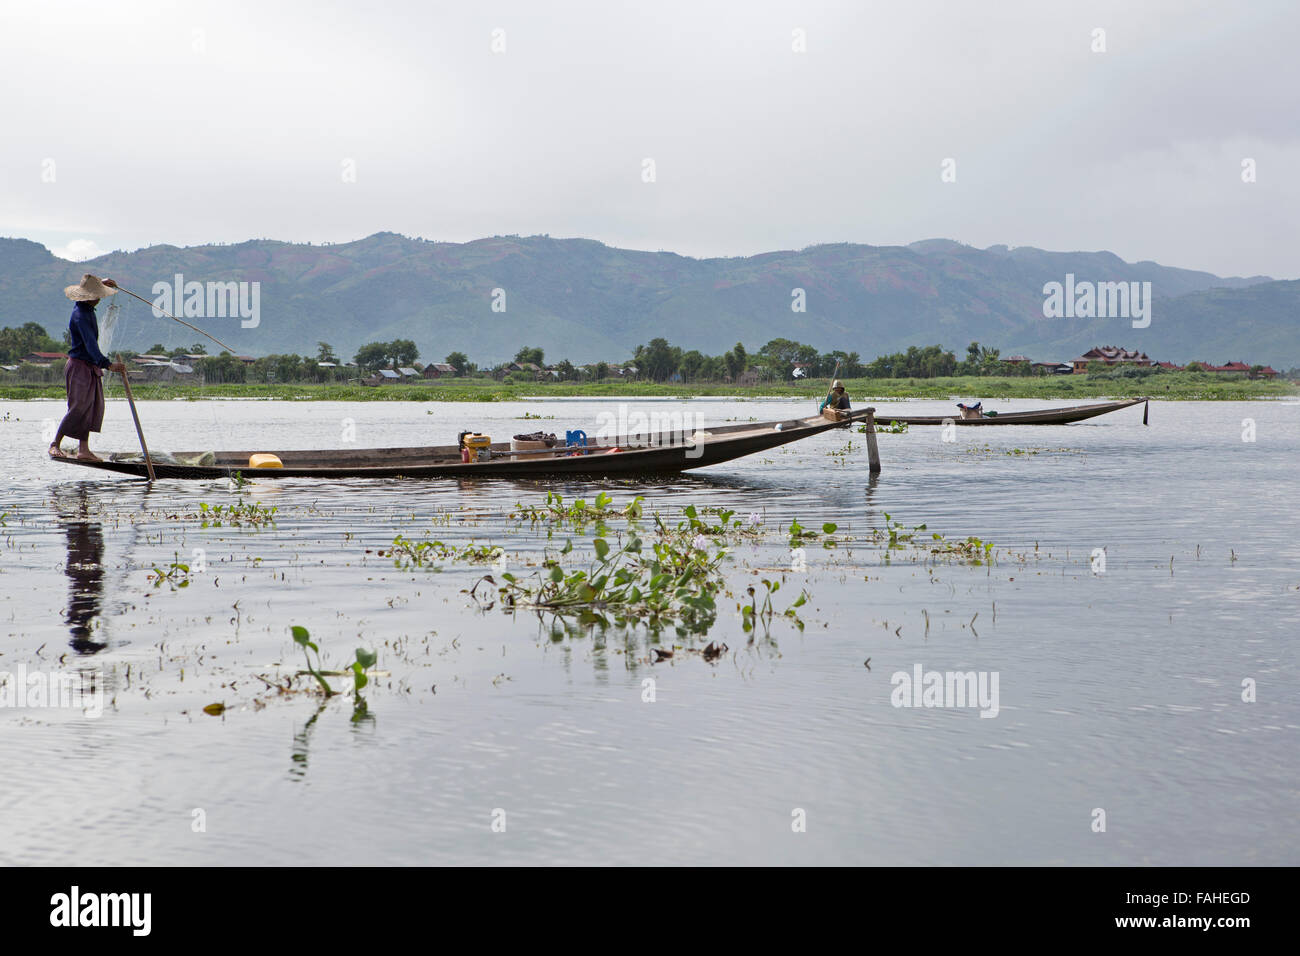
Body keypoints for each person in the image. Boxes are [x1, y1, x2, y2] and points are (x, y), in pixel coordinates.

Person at [49, 274, 127, 461]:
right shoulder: (81, 316)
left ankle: (83, 449)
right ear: (88, 297)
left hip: (88, 366)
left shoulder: (86, 309)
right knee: (78, 407)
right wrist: (108, 364)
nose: (100, 298)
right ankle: (55, 444)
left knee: (91, 406)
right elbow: (91, 345)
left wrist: (102, 283)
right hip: (79, 366)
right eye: (97, 294)